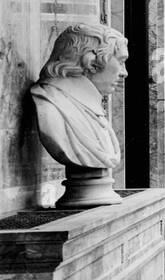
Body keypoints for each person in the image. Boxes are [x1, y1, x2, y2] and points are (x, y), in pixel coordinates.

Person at [30, 23, 126, 171]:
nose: (124, 73)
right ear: (92, 63)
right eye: (120, 62)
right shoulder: (51, 106)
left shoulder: (88, 106)